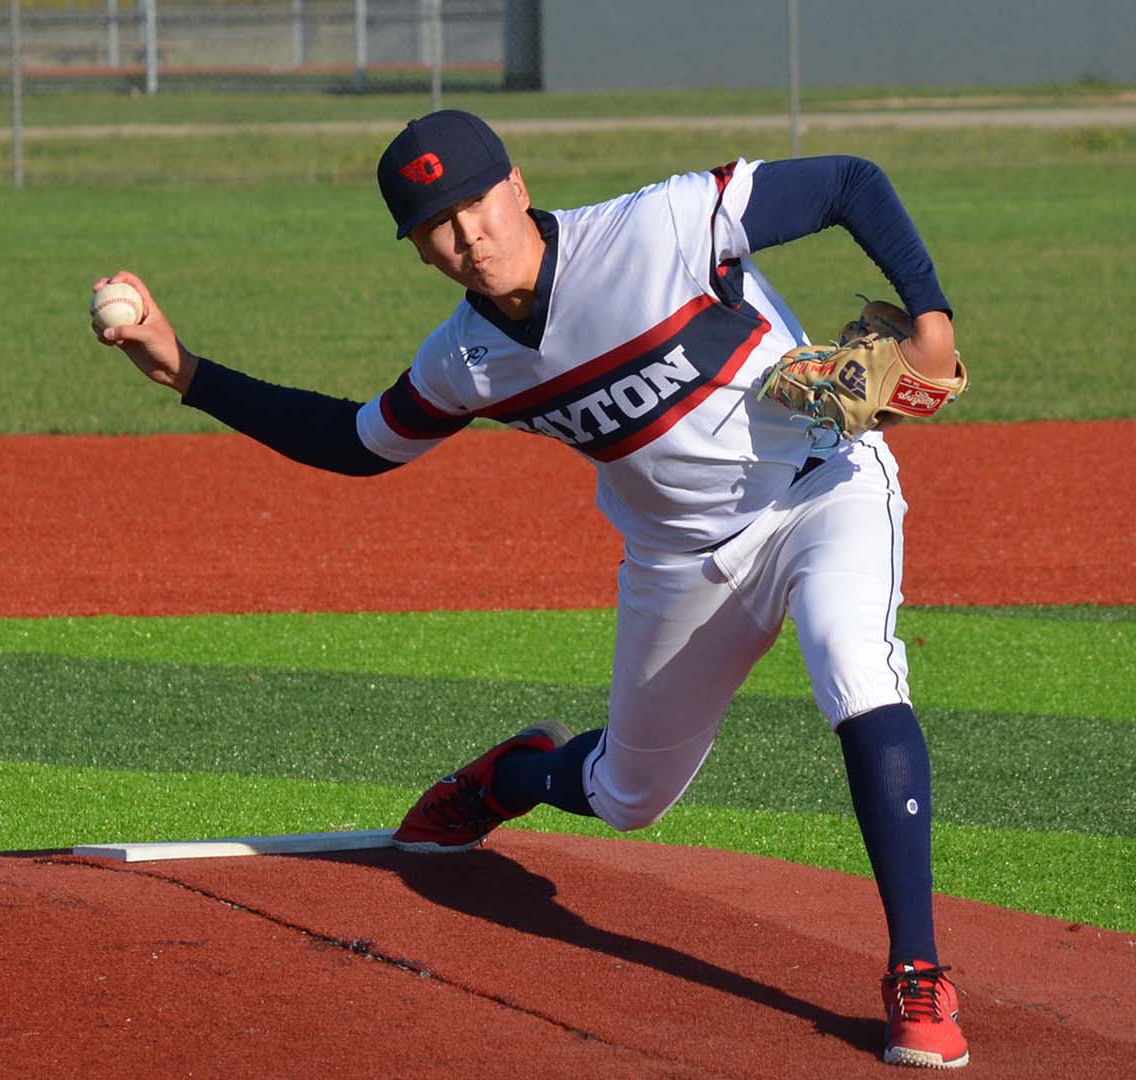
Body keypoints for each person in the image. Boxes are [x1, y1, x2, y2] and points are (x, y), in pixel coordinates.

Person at [96, 108, 969, 1070]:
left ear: (517, 185)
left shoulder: (659, 228)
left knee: (855, 668)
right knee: (630, 796)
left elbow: (850, 181)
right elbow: (355, 443)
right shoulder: (466, 360)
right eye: (437, 223)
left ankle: (917, 974)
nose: (468, 235)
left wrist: (930, 325)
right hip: (677, 560)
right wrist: (183, 372)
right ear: (419, 250)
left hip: (821, 493)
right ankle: (512, 776)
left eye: (476, 201)